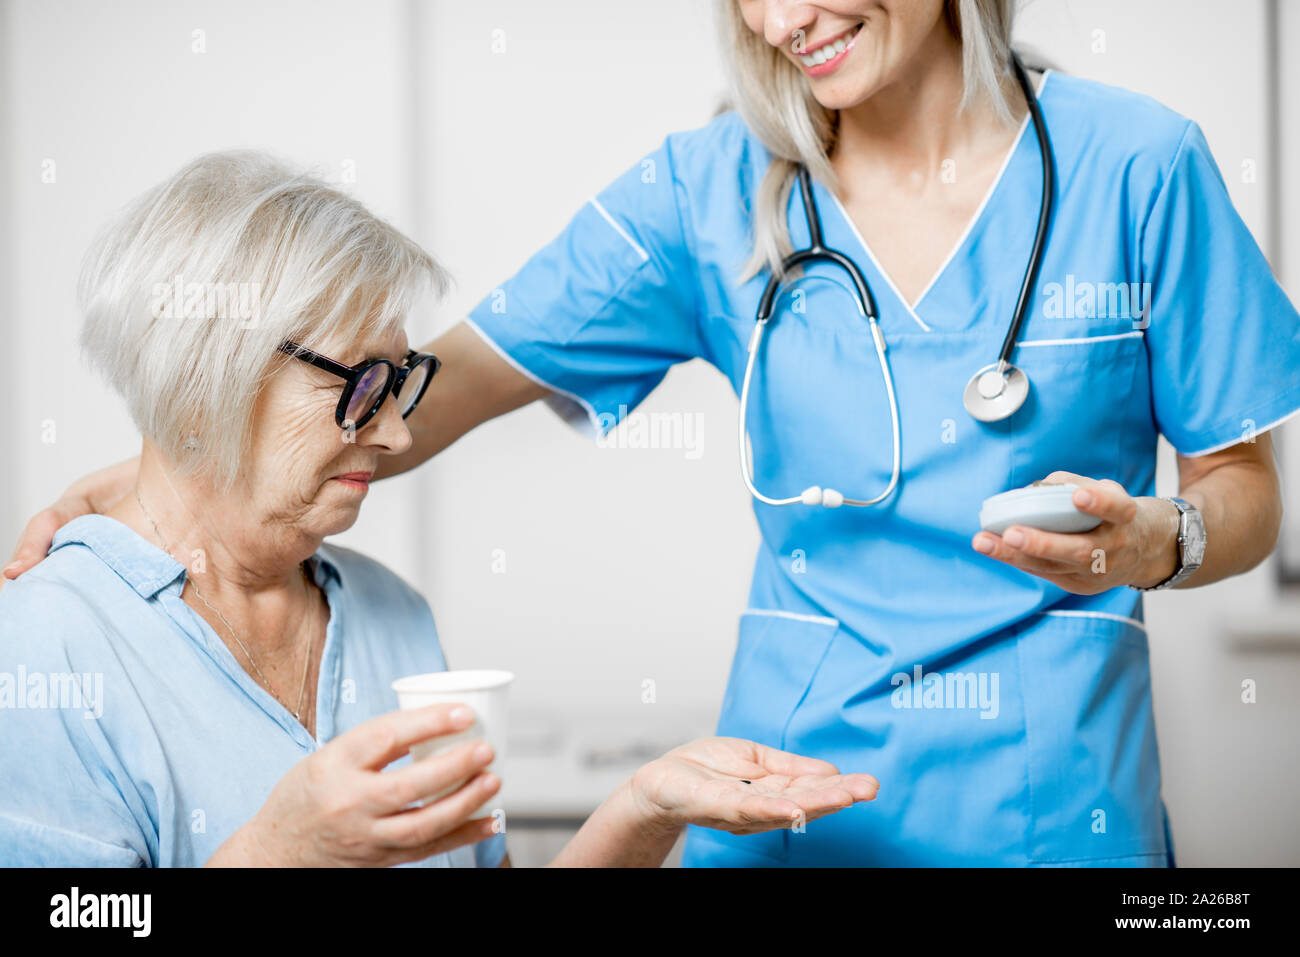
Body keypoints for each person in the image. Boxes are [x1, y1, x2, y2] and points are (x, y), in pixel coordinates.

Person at [8, 0, 1296, 866]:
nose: (786, 18)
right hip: (777, 794)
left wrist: (1161, 541)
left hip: (1047, 804)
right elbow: (413, 387)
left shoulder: (1138, 168)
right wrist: (175, 459)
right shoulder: (711, 188)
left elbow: (1240, 487)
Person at [0, 151, 878, 867]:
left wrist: (644, 808)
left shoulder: (389, 615)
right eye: (363, 386)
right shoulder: (44, 646)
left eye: (402, 382)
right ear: (205, 381)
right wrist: (281, 853)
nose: (395, 436)